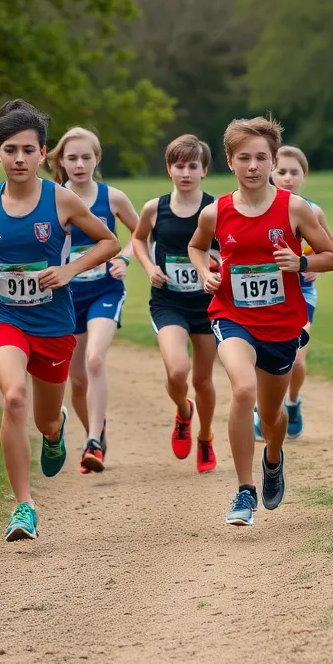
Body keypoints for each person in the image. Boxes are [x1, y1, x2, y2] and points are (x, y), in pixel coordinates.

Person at [0, 100, 120, 541]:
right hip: (1, 314)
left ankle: (54, 432)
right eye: (10, 149)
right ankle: (23, 507)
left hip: (52, 323)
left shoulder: (61, 200)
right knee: (14, 398)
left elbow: (109, 242)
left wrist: (70, 269)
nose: (18, 159)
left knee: (46, 420)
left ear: (43, 153)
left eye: (28, 150)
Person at [187, 115, 333, 526]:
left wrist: (301, 260)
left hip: (283, 323)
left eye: (260, 158)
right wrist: (204, 271)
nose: (252, 166)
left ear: (273, 162)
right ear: (229, 162)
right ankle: (244, 490)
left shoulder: (295, 208)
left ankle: (274, 456)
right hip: (231, 314)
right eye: (243, 158)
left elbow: (332, 256)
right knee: (242, 389)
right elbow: (197, 247)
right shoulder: (214, 212)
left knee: (272, 417)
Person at [47, 127, 141, 474]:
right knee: (78, 380)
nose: (80, 163)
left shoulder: (112, 198)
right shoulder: (53, 199)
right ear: (60, 161)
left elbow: (141, 235)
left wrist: (124, 259)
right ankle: (96, 432)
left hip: (105, 290)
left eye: (87, 157)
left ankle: (92, 443)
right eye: (72, 157)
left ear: (97, 159)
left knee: (96, 360)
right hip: (66, 296)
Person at [131, 134, 220, 473]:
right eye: (179, 166)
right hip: (168, 302)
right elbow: (138, 239)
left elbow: (231, 248)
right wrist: (150, 266)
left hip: (208, 304)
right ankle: (184, 412)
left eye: (192, 166)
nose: (186, 173)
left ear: (204, 170)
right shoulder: (156, 208)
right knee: (177, 369)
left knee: (204, 381)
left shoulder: (216, 209)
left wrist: (219, 264)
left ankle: (206, 437)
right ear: (169, 169)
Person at [252, 145, 333, 440]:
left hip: (301, 295)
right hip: (264, 298)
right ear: (270, 172)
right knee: (260, 358)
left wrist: (314, 266)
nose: (287, 178)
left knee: (297, 359)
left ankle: (293, 401)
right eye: (281, 172)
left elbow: (330, 252)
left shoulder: (313, 211)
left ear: (304, 175)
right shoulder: (258, 207)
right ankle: (262, 410)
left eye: (293, 172)